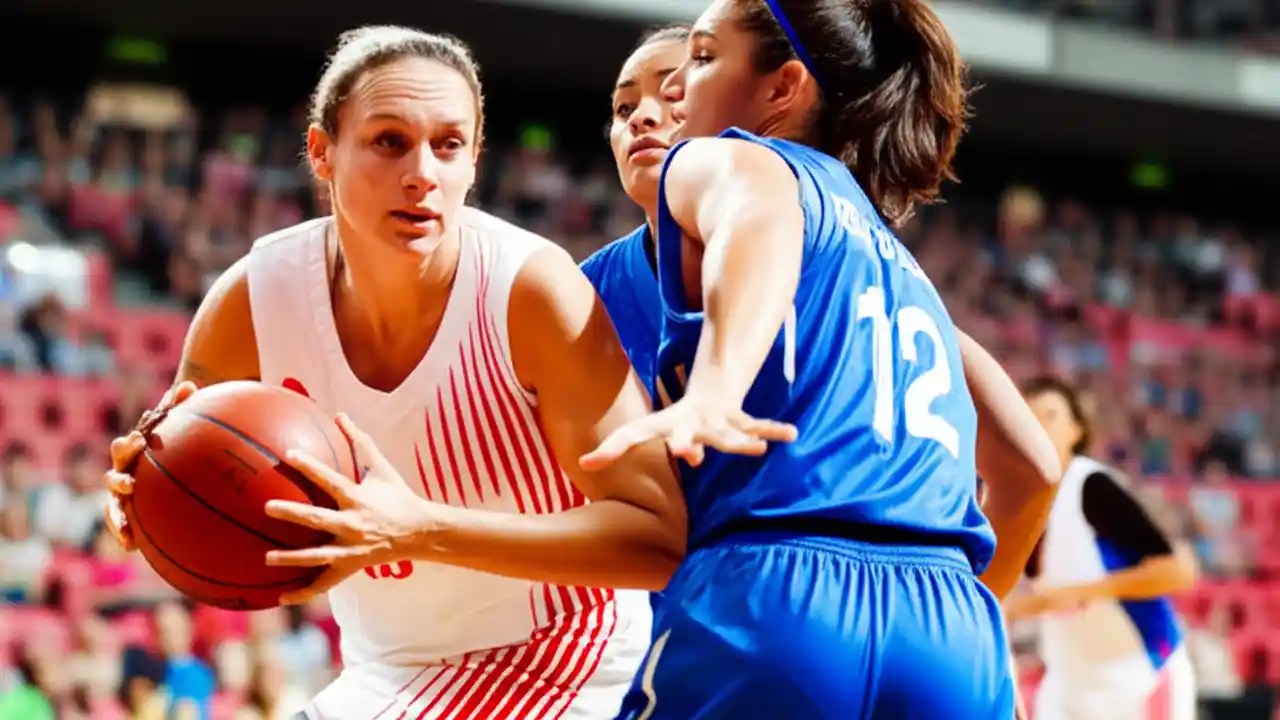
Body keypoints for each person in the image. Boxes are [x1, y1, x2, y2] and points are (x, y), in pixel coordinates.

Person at [102, 25, 696, 719]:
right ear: (321, 153)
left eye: (449, 145)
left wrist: (416, 528)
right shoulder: (251, 300)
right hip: (385, 665)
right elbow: (177, 478)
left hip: (563, 657)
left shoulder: (530, 292)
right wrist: (135, 500)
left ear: (474, 161)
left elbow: (660, 538)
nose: (423, 173)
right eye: (389, 140)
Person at [577, 1, 1061, 717]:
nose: (676, 90)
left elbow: (758, 220)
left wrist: (716, 383)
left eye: (703, 58)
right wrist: (969, 614)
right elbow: (1032, 467)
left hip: (779, 592)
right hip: (949, 624)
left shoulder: (729, 160)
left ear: (783, 89)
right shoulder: (891, 256)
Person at [1008, 376, 1198, 720]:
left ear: (1076, 431)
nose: (1038, 426)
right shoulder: (1019, 502)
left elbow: (1180, 570)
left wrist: (1081, 594)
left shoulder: (1092, 486)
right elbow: (1030, 600)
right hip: (1070, 685)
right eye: (1029, 417)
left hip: (1141, 679)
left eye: (1050, 416)